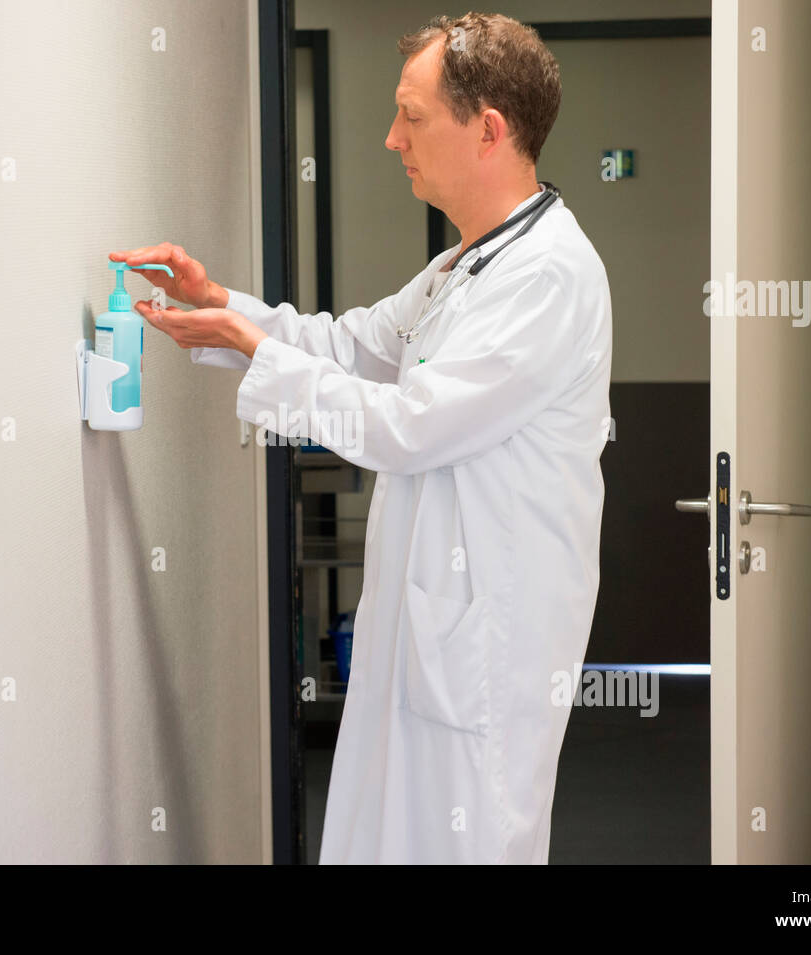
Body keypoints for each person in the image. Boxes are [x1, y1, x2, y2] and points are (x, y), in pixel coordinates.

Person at [110, 12, 611, 864]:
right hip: (429, 636)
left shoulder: (549, 277)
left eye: (411, 117)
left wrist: (253, 350)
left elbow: (409, 425)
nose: (391, 139)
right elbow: (356, 348)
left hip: (483, 657)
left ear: (488, 128)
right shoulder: (470, 262)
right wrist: (221, 304)